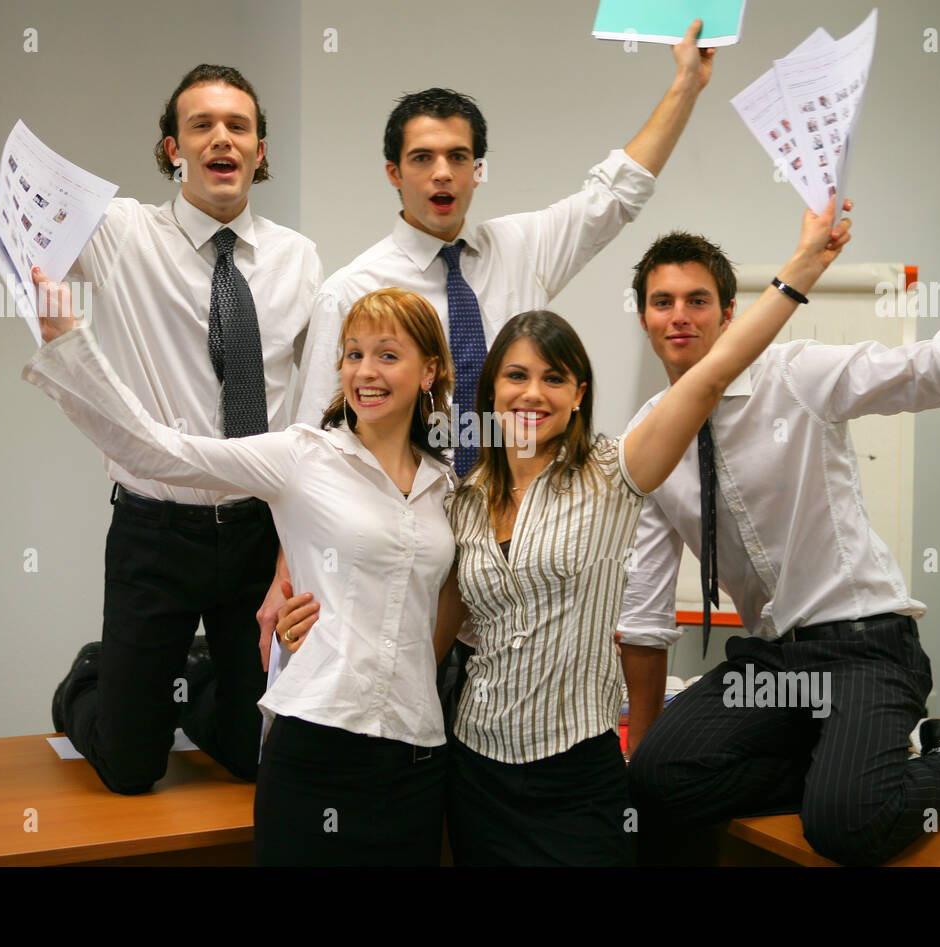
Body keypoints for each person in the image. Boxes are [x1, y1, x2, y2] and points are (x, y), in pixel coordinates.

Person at [281, 199, 856, 865]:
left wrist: (798, 274)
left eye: (554, 378)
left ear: (578, 393)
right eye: (516, 377)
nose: (533, 394)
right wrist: (323, 630)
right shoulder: (461, 500)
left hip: (576, 775)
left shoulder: (616, 471)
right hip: (474, 770)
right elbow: (417, 638)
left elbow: (709, 380)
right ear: (489, 391)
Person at [0, 36, 322, 794]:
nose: (221, 137)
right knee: (131, 769)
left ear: (260, 151)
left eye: (238, 125)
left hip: (259, 534)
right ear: (173, 150)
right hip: (156, 534)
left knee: (256, 759)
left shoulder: (300, 260)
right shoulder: (121, 234)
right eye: (201, 125)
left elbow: (314, 411)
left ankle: (191, 685)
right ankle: (91, 680)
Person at [617, 231, 940, 866]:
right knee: (658, 778)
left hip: (866, 648)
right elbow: (642, 612)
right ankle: (840, 772)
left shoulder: (797, 376)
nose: (679, 316)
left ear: (730, 313)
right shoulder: (644, 440)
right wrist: (641, 746)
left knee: (844, 828)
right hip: (774, 664)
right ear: (642, 316)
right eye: (662, 301)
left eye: (697, 300)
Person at [274, 18, 717, 725]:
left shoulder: (522, 247)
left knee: (502, 731)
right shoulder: (353, 291)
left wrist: (686, 86)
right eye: (422, 158)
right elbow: (310, 449)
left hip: (514, 540)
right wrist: (286, 576)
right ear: (394, 172)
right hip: (407, 542)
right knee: (402, 720)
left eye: (459, 156)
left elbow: (618, 193)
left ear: (479, 167)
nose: (442, 173)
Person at [28, 277, 457, 864]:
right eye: (354, 354)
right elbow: (159, 451)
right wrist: (73, 344)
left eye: (388, 355)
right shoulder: (303, 456)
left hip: (416, 757)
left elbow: (444, 609)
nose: (365, 372)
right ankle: (99, 675)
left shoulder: (447, 488)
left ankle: (195, 671)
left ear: (429, 371)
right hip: (315, 746)